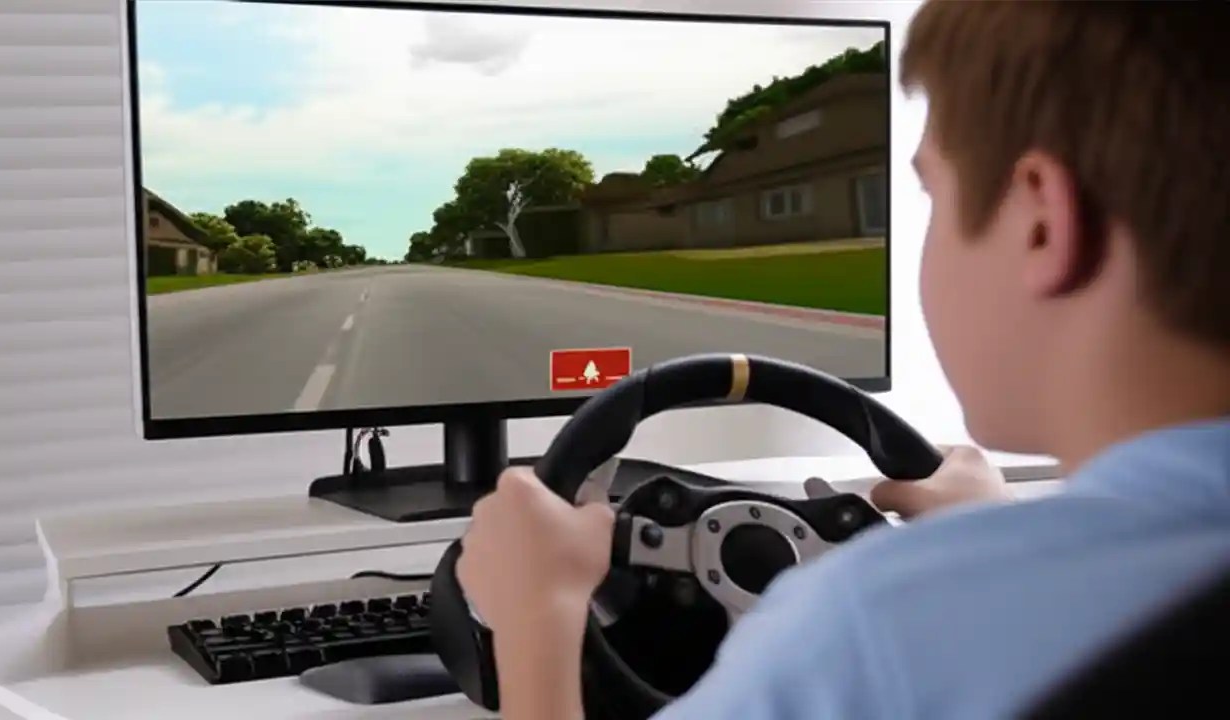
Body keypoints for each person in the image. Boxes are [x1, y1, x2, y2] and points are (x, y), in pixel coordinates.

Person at [456, 1, 1230, 717]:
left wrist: (538, 618)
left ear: (1041, 223)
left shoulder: (873, 625)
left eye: (931, 197)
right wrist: (995, 537)